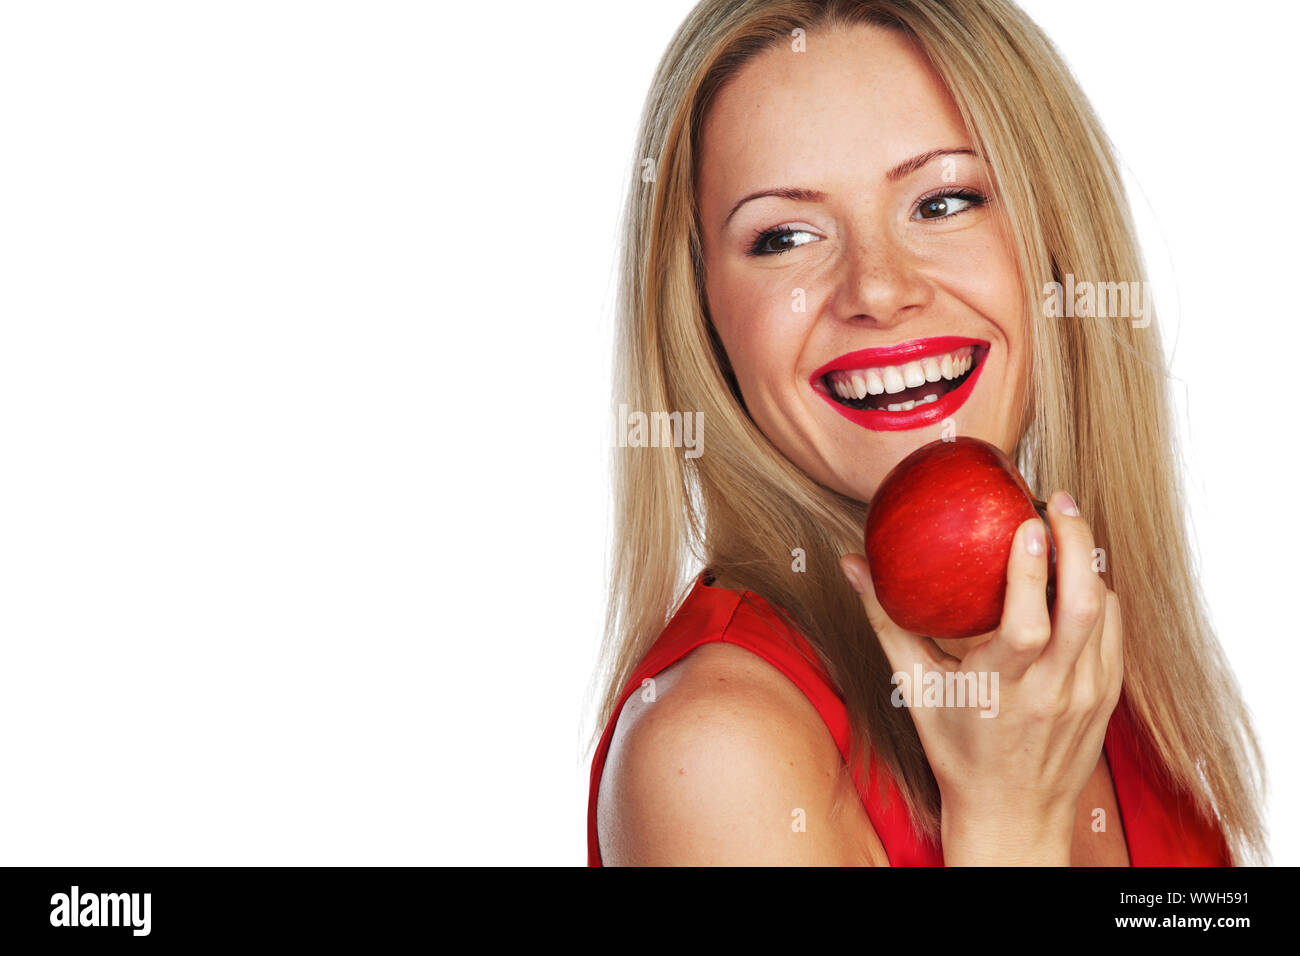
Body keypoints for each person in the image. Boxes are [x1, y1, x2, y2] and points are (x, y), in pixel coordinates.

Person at [587, 0, 1266, 866]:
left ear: (1056, 245)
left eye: (943, 201)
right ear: (702, 313)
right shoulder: (716, 755)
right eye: (785, 235)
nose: (877, 287)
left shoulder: (1073, 658)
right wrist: (1009, 824)